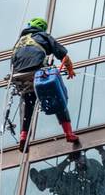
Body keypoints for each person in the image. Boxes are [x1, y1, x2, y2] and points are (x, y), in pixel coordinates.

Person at [9, 17, 78, 151]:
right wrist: (70, 69)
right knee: (57, 94)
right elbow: (62, 54)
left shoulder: (19, 42)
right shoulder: (42, 35)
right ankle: (69, 133)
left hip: (20, 74)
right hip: (37, 69)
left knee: (27, 98)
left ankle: (23, 135)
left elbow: (12, 62)